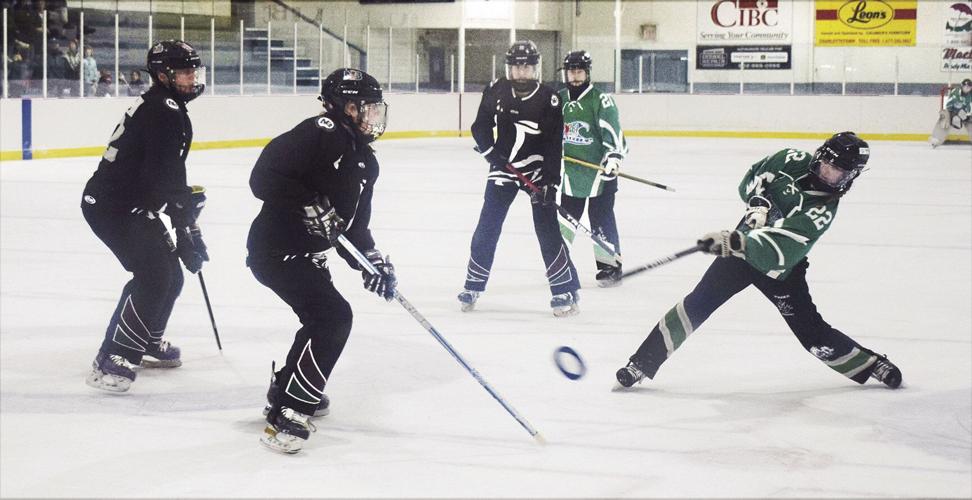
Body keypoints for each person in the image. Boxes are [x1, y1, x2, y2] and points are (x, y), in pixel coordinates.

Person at [615, 132, 903, 390]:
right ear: (819, 155)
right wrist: (757, 201)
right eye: (827, 165)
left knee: (812, 333)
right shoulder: (791, 159)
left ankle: (870, 364)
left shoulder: (823, 208)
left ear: (850, 177)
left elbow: (784, 247)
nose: (829, 175)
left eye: (838, 173)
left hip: (781, 271)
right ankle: (641, 363)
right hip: (738, 256)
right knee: (695, 305)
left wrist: (740, 241)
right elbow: (754, 178)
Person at [246, 68, 393, 454]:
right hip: (275, 249)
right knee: (333, 316)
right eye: (367, 109)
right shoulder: (321, 132)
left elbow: (352, 230)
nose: (373, 117)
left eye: (377, 109)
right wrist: (308, 202)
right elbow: (262, 178)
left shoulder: (365, 163)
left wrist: (371, 262)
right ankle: (291, 411)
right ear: (345, 108)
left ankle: (284, 393)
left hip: (306, 254)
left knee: (321, 318)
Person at [81, 40, 207, 393]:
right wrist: (184, 222)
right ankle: (114, 355)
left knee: (172, 276)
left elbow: (166, 174)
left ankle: (147, 338)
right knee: (153, 274)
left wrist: (184, 213)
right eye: (184, 72)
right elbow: (162, 176)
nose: (191, 77)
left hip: (130, 202)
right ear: (163, 75)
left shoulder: (166, 106)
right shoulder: (163, 109)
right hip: (112, 205)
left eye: (193, 70)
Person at [458, 40, 581, 317]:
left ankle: (563, 288)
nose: (521, 72)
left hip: (537, 172)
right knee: (487, 227)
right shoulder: (496, 90)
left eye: (526, 67)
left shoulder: (549, 98)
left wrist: (551, 182)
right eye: (516, 67)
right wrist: (491, 152)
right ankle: (473, 284)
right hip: (503, 168)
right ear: (509, 67)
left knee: (547, 230)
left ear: (535, 68)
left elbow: (553, 145)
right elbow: (481, 125)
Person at [557, 50, 628, 287]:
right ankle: (558, 263)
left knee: (601, 218)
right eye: (571, 71)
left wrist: (614, 157)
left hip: (601, 172)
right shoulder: (559, 99)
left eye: (579, 71)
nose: (575, 76)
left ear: (587, 73)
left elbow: (614, 132)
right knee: (566, 219)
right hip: (572, 173)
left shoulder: (600, 99)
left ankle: (609, 267)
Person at [930, 78, 972, 147]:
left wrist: (966, 115)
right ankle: (936, 139)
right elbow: (948, 105)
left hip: (964, 113)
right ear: (962, 86)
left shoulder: (970, 95)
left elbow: (969, 108)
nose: (968, 89)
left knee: (970, 123)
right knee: (944, 117)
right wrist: (956, 113)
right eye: (966, 87)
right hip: (951, 111)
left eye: (970, 87)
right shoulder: (956, 92)